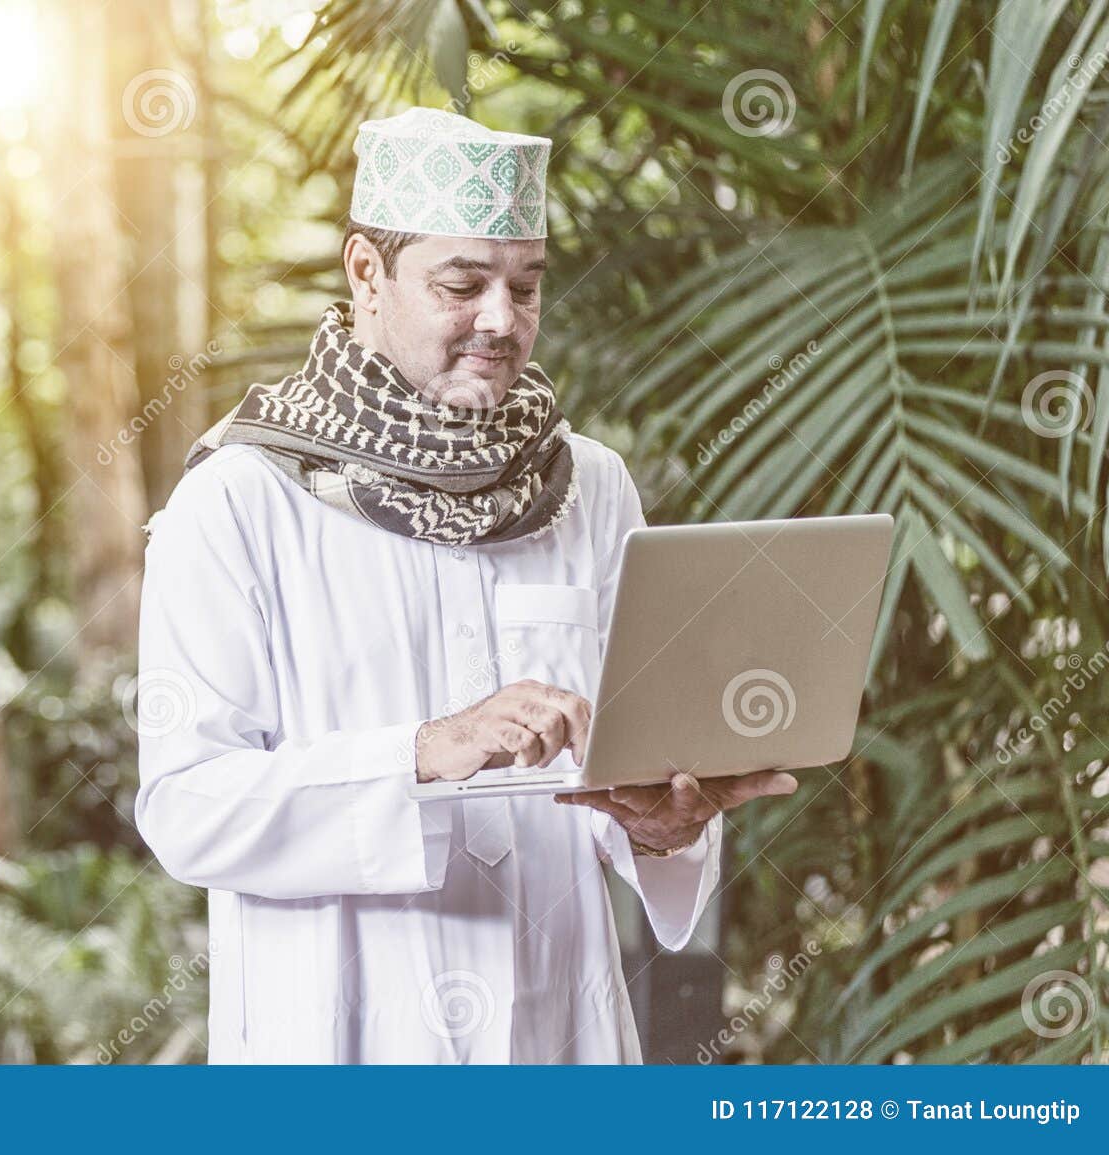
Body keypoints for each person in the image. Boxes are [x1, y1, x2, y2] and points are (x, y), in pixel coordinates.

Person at [134, 107, 796, 1063]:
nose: (503, 317)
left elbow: (634, 764)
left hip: (559, 1035)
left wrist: (664, 828)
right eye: (463, 282)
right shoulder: (239, 499)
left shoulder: (592, 484)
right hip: (339, 1043)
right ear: (367, 273)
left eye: (526, 285)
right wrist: (424, 751)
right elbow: (188, 806)